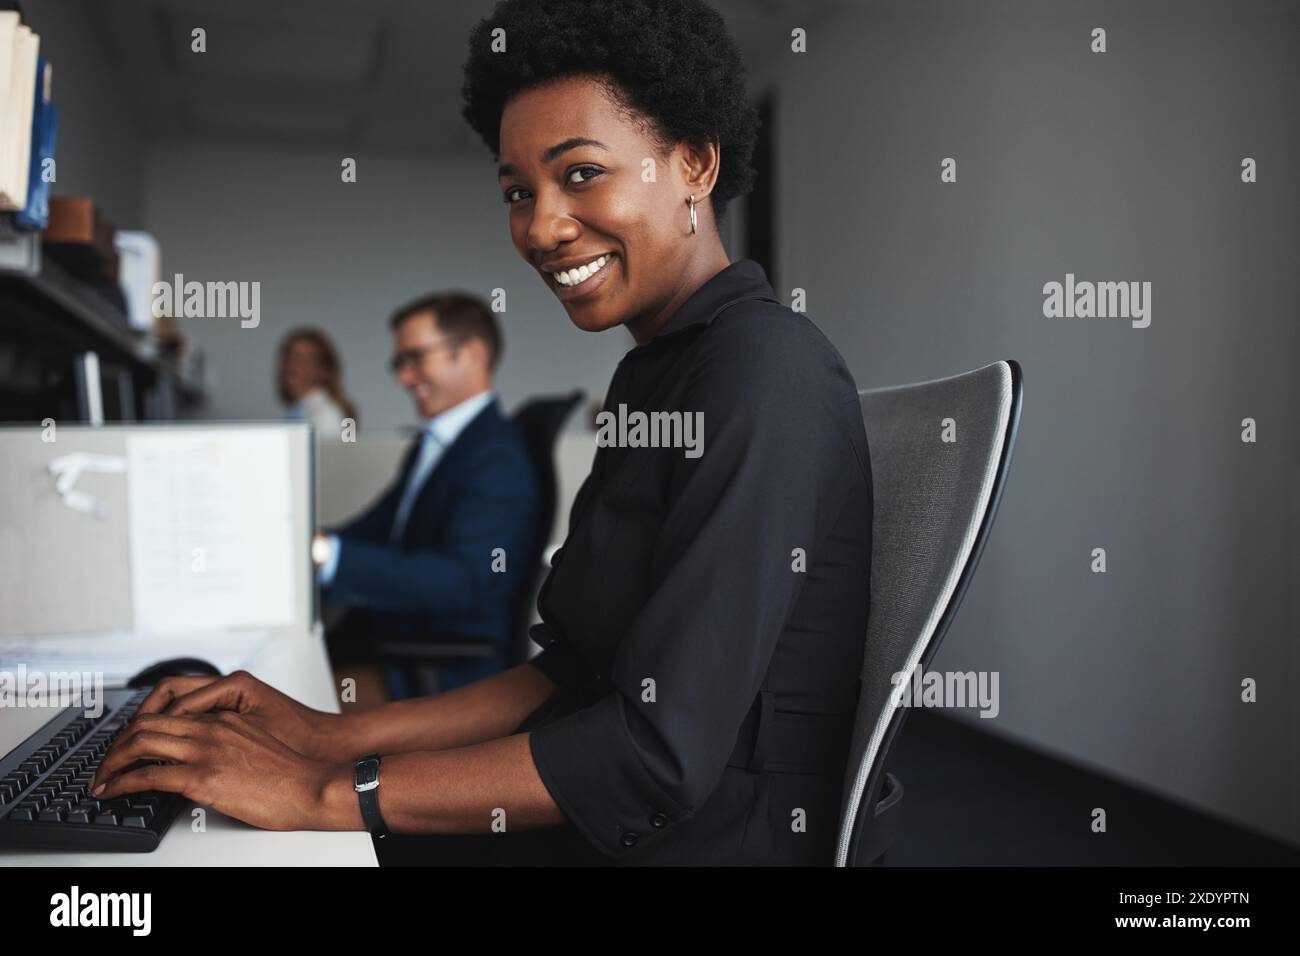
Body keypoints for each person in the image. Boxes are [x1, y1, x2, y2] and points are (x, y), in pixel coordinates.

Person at [91, 0, 872, 866]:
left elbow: (657, 756)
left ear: (692, 162)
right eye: (517, 192)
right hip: (602, 802)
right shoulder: (659, 372)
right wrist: (323, 736)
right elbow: (566, 677)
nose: (539, 227)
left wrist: (317, 792)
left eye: (580, 173)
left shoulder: (765, 369)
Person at [317, 293, 540, 698]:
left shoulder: (496, 457)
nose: (403, 378)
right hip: (396, 643)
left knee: (267, 709)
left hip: (446, 671)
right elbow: (375, 528)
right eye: (399, 363)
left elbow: (463, 581)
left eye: (415, 358)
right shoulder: (437, 444)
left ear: (470, 354)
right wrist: (312, 546)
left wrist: (329, 557)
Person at [276, 328, 357, 439]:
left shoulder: (326, 416)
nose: (291, 366)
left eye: (301, 360)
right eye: (289, 358)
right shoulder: (299, 412)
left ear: (323, 370)